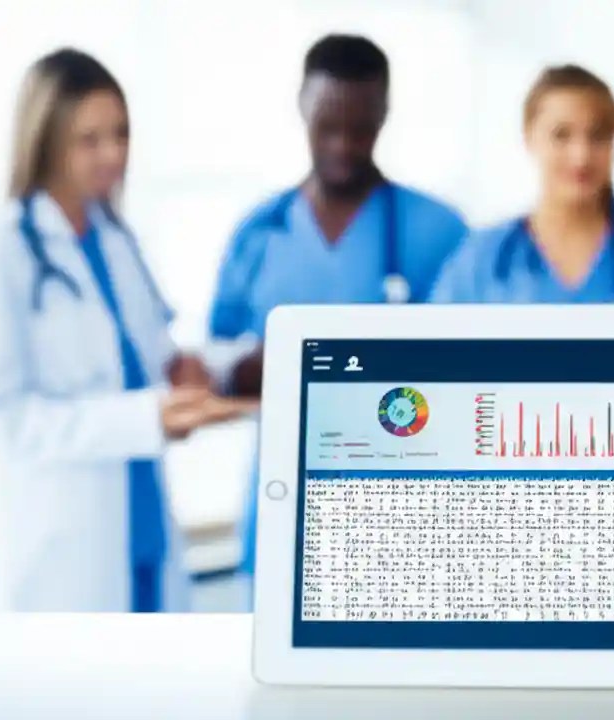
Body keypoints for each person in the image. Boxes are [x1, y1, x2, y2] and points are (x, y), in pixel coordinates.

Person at [0, 49, 247, 612]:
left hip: (143, 529)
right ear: (46, 139)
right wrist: (146, 416)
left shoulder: (114, 238)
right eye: (90, 139)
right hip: (66, 552)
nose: (114, 153)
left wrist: (195, 371)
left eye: (122, 133)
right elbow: (1, 421)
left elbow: (144, 361)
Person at [209, 34, 467, 575]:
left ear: (385, 115)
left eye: (362, 128)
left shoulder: (440, 232)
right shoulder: (258, 234)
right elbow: (216, 363)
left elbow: (471, 371)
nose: (344, 145)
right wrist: (243, 368)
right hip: (282, 502)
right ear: (301, 105)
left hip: (404, 507)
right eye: (327, 126)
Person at [431, 65, 614, 303]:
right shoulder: (483, 258)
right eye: (561, 135)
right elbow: (438, 339)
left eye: (598, 135)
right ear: (529, 137)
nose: (581, 156)